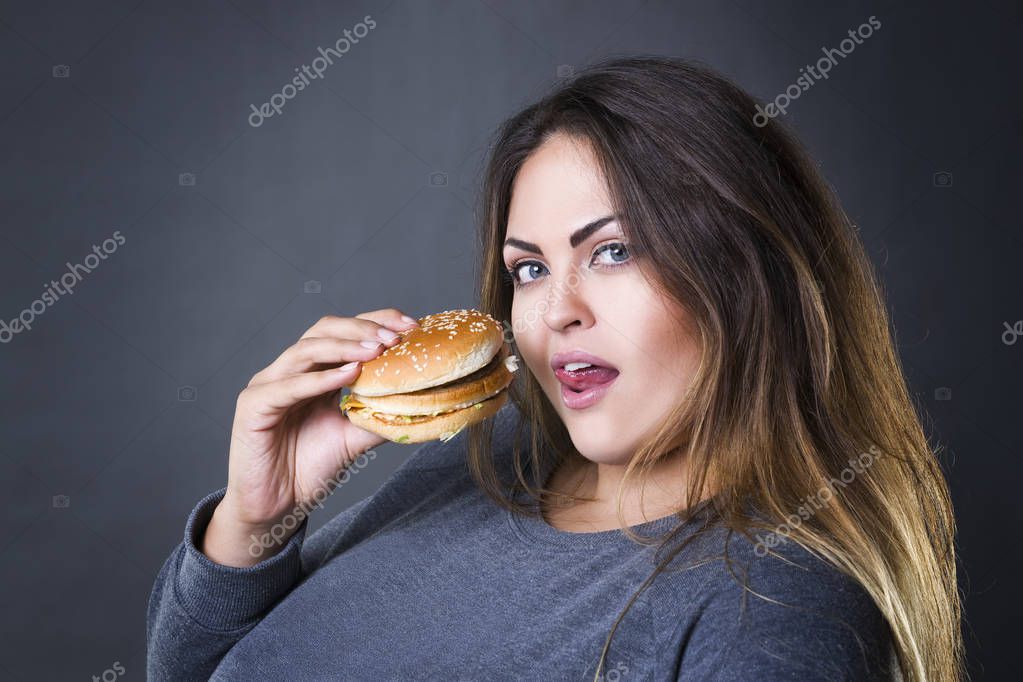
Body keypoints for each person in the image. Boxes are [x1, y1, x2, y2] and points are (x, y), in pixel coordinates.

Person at [146, 55, 962, 681]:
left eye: (612, 251)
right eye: (528, 268)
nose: (555, 310)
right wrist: (258, 525)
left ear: (749, 277)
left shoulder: (772, 607)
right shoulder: (488, 459)